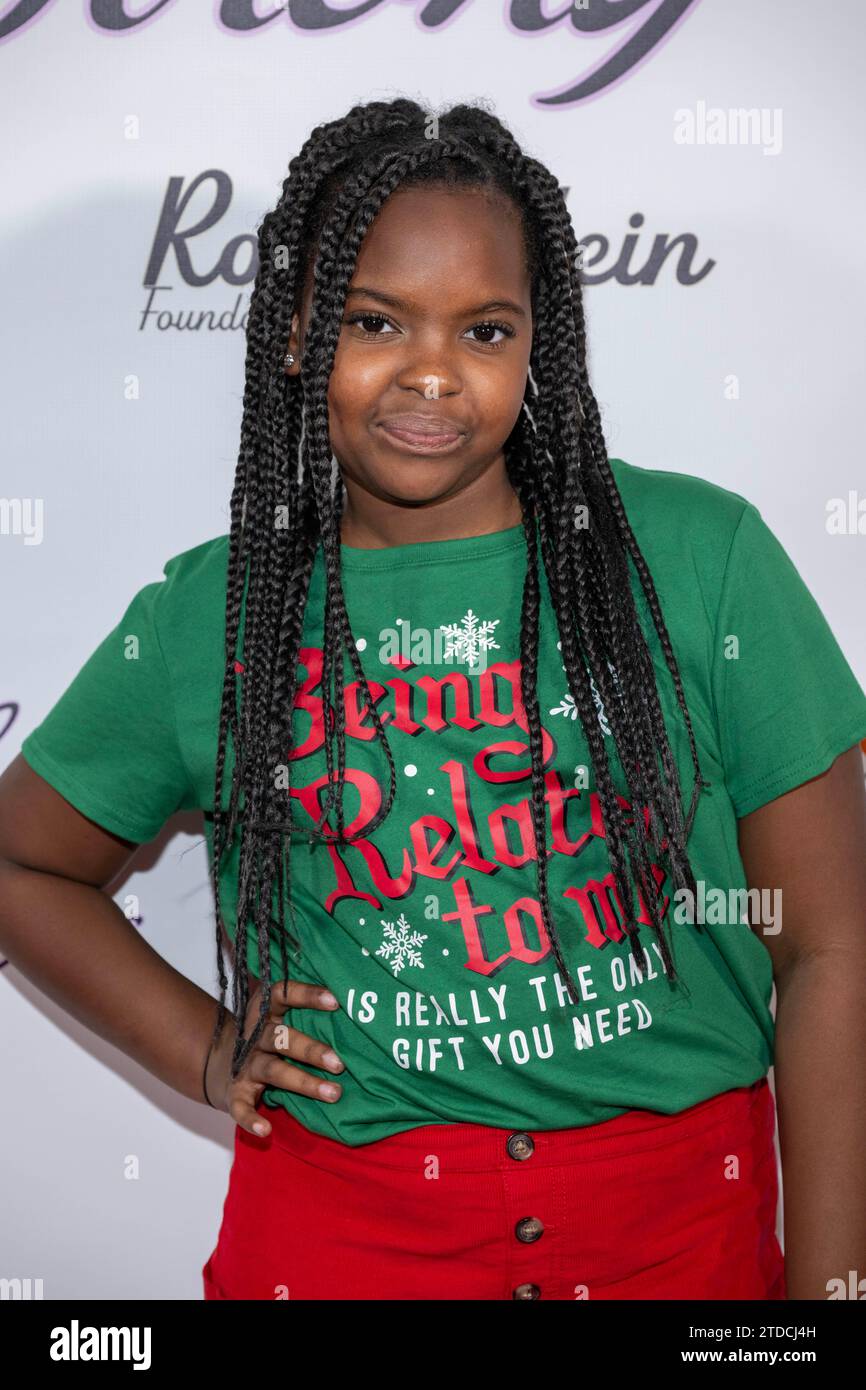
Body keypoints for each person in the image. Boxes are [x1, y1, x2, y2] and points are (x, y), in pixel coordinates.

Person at [3, 97, 866, 1302]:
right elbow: (22, 864)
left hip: (676, 1235)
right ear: (300, 329)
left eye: (485, 329)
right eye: (374, 319)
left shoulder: (699, 556)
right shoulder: (219, 614)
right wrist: (207, 1052)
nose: (431, 374)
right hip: (339, 1238)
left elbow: (830, 948)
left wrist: (832, 1298)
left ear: (538, 344)